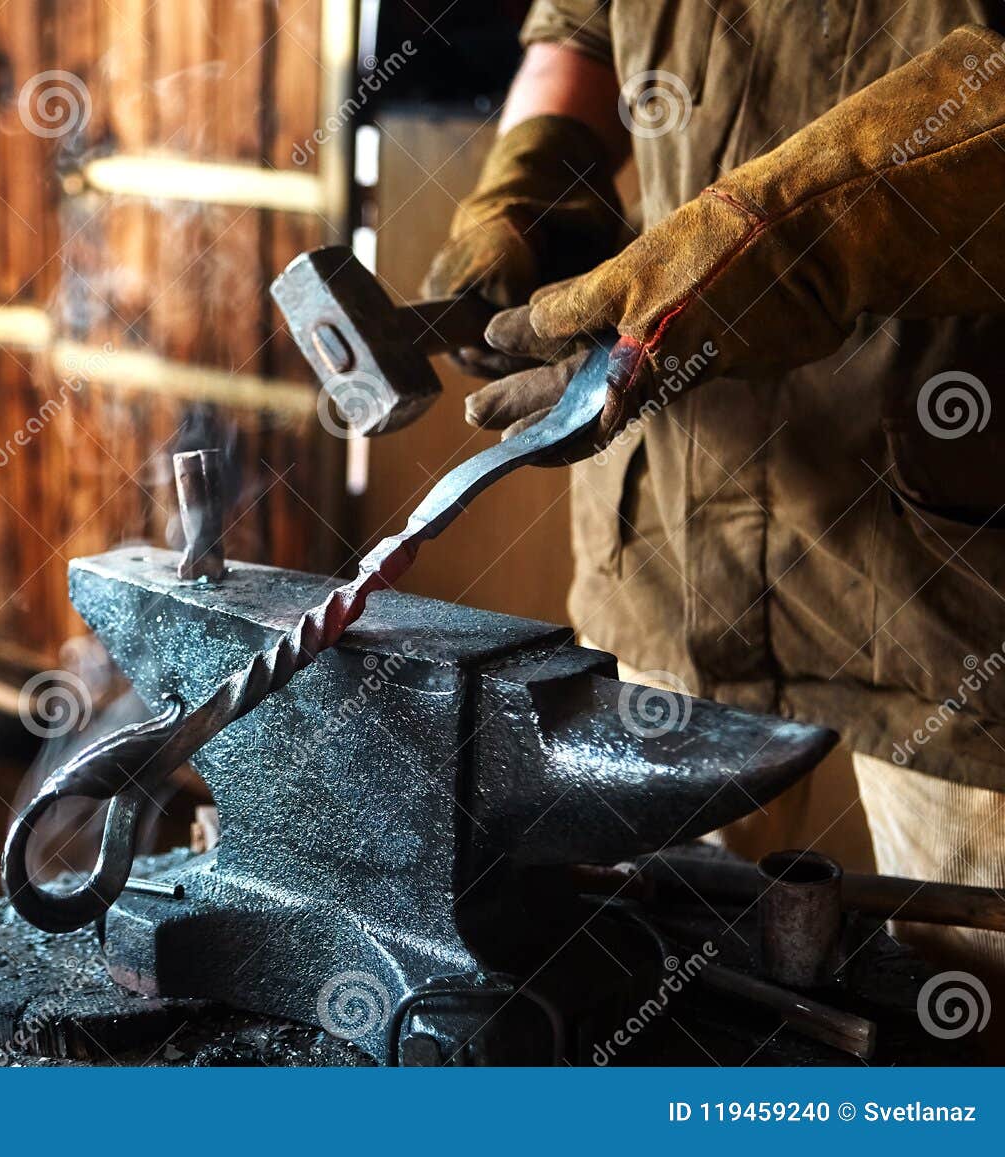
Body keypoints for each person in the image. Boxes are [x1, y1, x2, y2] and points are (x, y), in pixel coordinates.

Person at [423, 2, 1005, 1007]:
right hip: (665, 541)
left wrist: (781, 236)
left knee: (965, 1013)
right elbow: (582, 31)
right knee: (637, 994)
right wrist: (529, 176)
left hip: (946, 585)